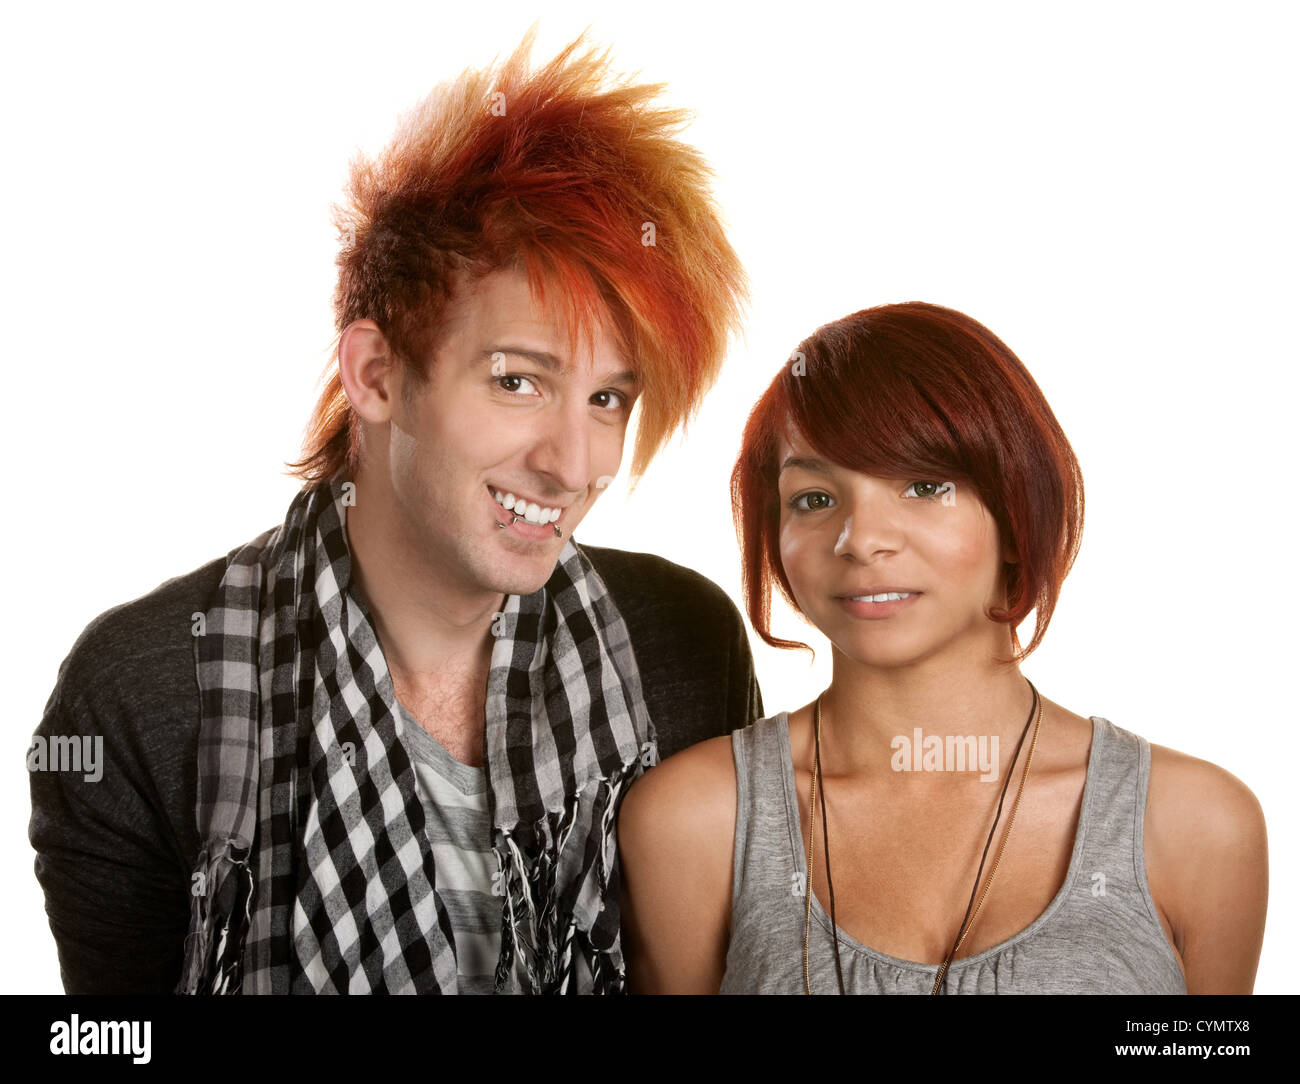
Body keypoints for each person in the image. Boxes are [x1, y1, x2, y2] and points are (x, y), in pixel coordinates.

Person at [28, 30, 759, 995]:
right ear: (375, 374)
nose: (574, 463)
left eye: (608, 400)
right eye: (517, 381)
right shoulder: (146, 692)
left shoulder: (680, 644)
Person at [618, 301, 1268, 994]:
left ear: (1018, 518)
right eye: (813, 499)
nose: (861, 539)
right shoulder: (692, 822)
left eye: (926, 487)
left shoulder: (1196, 826)